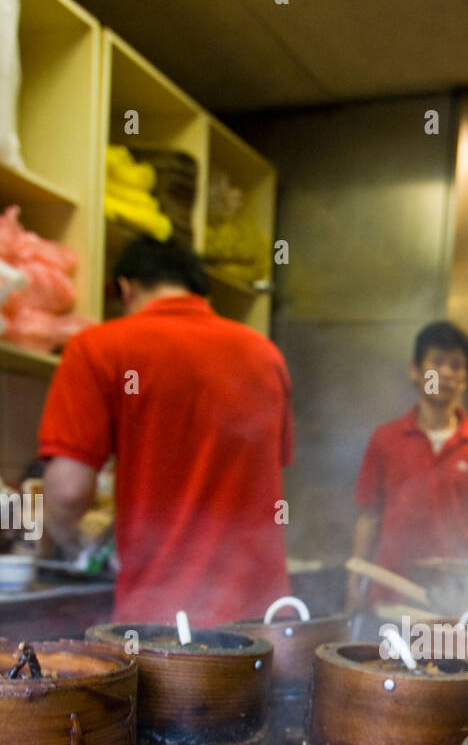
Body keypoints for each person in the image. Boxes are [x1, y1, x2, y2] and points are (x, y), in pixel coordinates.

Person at [38, 235, 293, 625]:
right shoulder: (266, 354)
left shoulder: (99, 347)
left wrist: (76, 545)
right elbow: (271, 475)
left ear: (127, 287)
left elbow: (68, 491)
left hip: (164, 624)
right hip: (266, 620)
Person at [348, 320, 468, 608]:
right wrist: (355, 578)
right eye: (437, 362)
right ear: (415, 371)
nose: (445, 373)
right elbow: (368, 515)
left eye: (456, 365)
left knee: (449, 655)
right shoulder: (385, 439)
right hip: (390, 590)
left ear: (465, 378)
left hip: (456, 596)